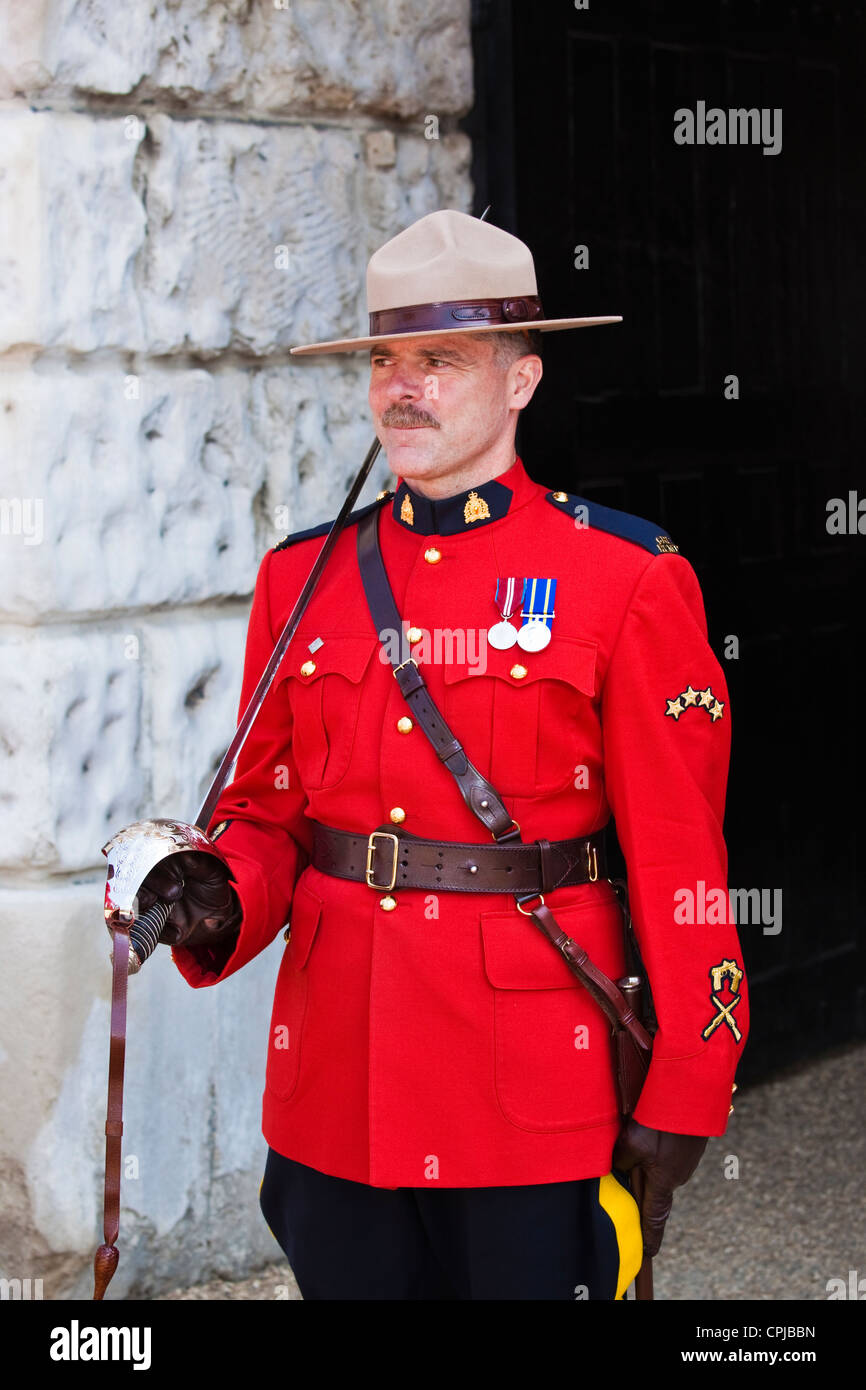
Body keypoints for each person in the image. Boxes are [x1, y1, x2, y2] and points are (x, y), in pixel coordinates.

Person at [138, 209, 749, 1300]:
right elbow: (270, 809)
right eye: (384, 358)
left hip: (526, 1088)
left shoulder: (622, 577)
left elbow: (678, 858)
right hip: (337, 1081)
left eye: (440, 360)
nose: (400, 386)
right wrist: (218, 891)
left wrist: (684, 1087)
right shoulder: (304, 577)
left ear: (520, 381)